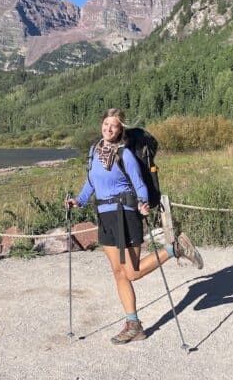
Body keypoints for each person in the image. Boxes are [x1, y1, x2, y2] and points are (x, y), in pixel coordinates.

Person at [66, 108, 203, 345]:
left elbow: (139, 185)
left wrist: (142, 203)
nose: (108, 128)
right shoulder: (94, 152)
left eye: (114, 125)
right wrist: (78, 200)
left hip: (126, 216)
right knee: (119, 274)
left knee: (132, 272)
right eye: (106, 124)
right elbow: (91, 181)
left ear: (121, 130)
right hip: (105, 218)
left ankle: (174, 248)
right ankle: (134, 325)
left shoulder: (125, 155)